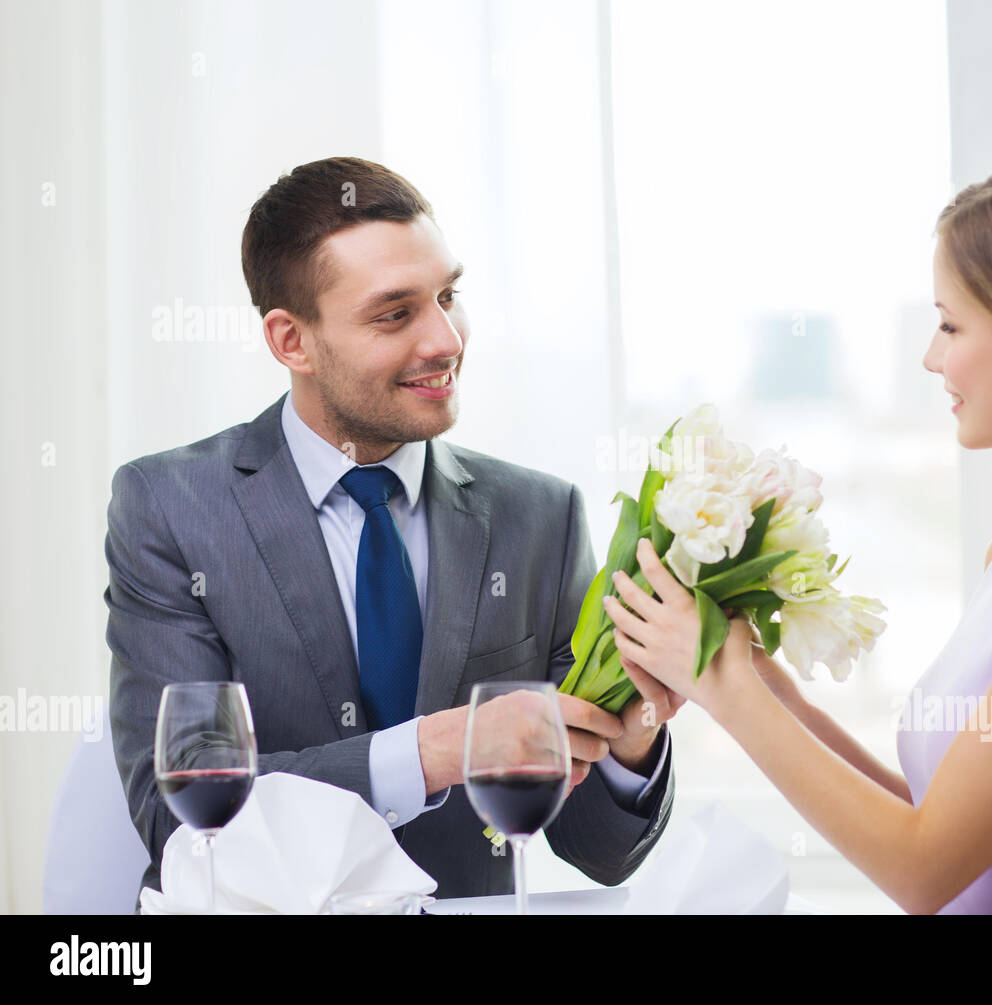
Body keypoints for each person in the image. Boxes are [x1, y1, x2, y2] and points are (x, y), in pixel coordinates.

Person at [605, 154, 992, 914]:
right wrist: (775, 695)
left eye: (950, 323)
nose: (932, 356)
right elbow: (955, 834)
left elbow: (924, 868)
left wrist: (726, 691)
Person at [105, 156, 676, 904]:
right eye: (395, 313)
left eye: (449, 295)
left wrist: (632, 737)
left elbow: (600, 852)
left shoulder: (542, 516)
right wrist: (437, 750)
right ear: (291, 341)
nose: (445, 340)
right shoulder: (170, 506)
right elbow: (180, 821)